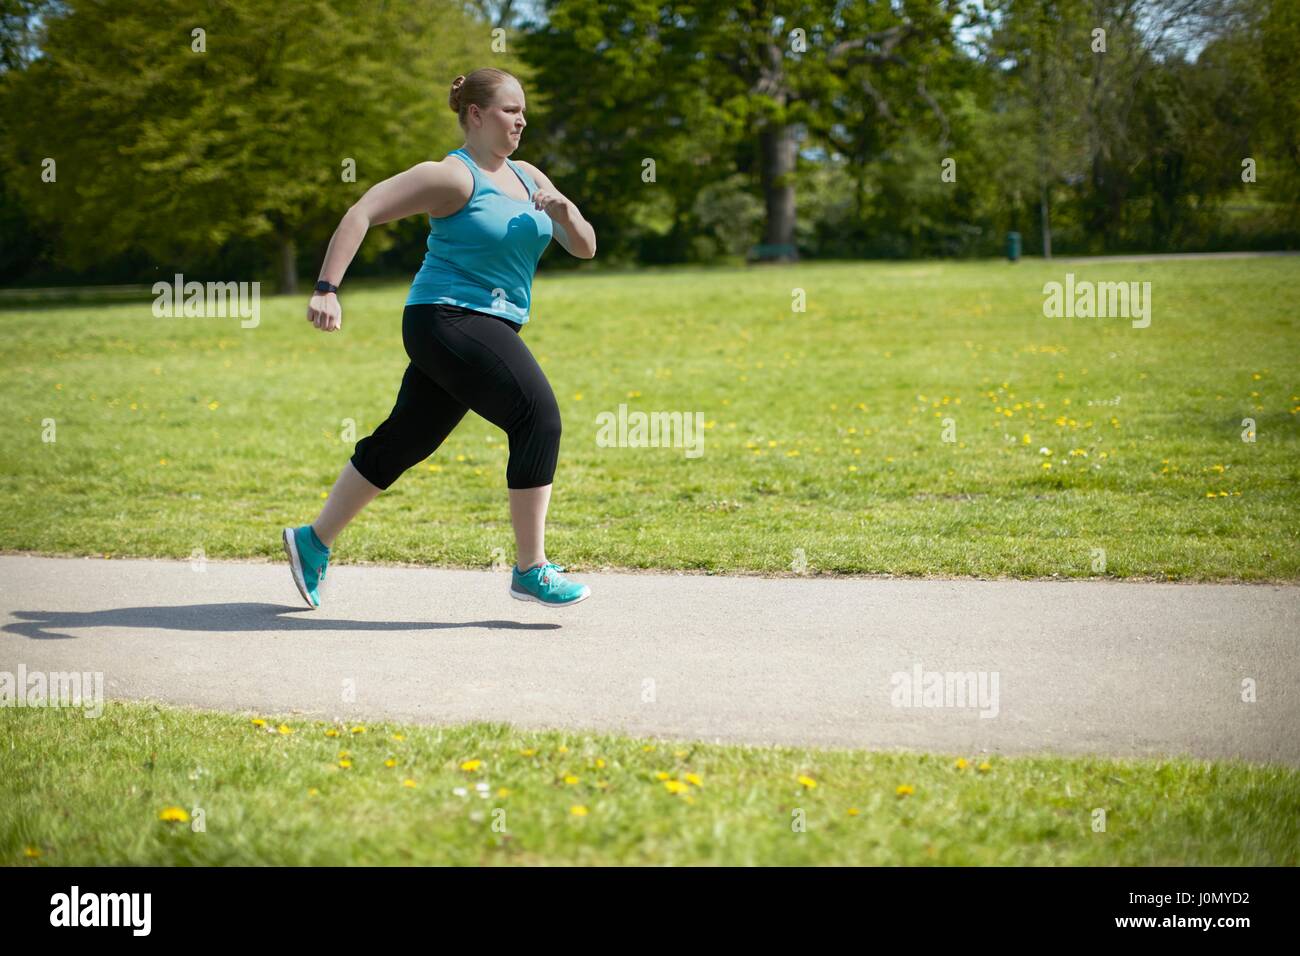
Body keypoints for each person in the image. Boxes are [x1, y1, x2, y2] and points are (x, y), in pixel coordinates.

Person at [282, 68, 597, 610]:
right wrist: (326, 287)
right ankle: (531, 568)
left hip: (487, 324)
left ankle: (312, 541)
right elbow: (363, 211)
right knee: (537, 416)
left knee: (406, 440)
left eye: (523, 110)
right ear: (475, 115)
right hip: (445, 317)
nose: (521, 119)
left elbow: (585, 247)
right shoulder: (453, 177)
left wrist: (567, 212)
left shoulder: (528, 176)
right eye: (508, 109)